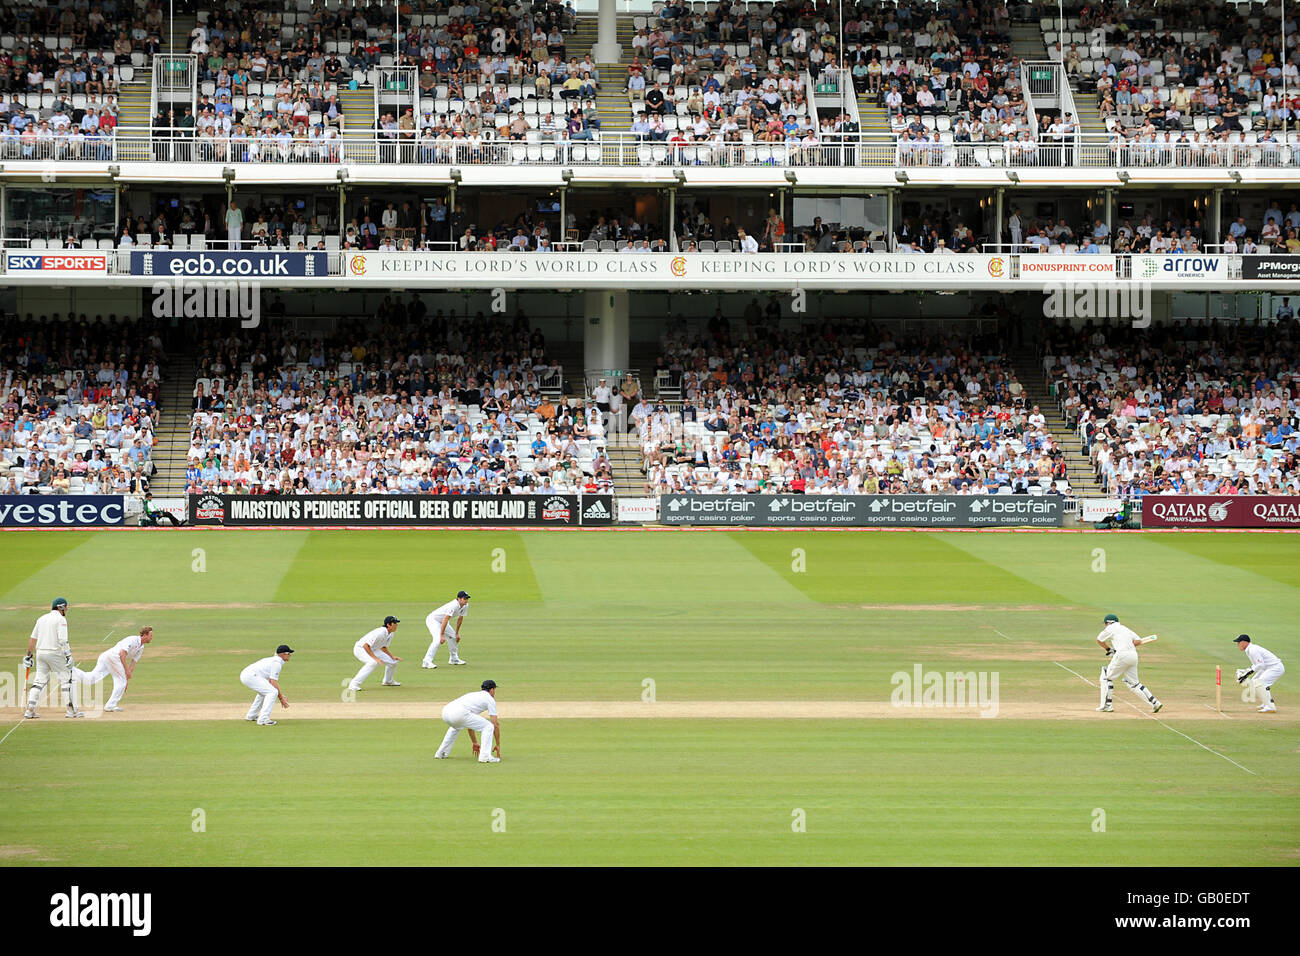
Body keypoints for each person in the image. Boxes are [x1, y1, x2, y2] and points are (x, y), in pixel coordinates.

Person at [23, 597, 82, 718]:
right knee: (67, 679)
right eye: (65, 607)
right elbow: (63, 640)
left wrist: (29, 655)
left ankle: (30, 710)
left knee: (39, 680)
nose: (66, 609)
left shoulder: (41, 618)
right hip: (55, 653)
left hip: (41, 653)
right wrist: (68, 655)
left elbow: (33, 638)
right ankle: (72, 711)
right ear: (60, 607)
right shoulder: (60, 620)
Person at [74, 626, 154, 712]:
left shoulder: (141, 648)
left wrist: (126, 680)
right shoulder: (132, 640)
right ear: (145, 635)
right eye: (151, 635)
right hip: (112, 656)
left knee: (91, 679)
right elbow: (122, 654)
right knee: (120, 681)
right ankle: (110, 705)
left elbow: (133, 663)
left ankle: (72, 671)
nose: (152, 638)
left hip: (109, 657)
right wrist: (125, 673)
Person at [1095, 613, 1162, 713]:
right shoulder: (1125, 628)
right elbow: (1138, 641)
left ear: (1108, 623)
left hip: (1122, 655)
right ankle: (1155, 703)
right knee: (1134, 683)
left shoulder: (1110, 628)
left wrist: (1109, 650)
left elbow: (1099, 640)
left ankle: (1106, 705)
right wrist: (1125, 646)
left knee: (1105, 676)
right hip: (1133, 655)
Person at [433, 679, 501, 762]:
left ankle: (441, 753)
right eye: (495, 690)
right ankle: (485, 756)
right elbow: (495, 724)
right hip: (459, 713)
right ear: (492, 690)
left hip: (446, 712)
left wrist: (475, 742)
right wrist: (498, 744)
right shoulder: (490, 699)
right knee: (488, 726)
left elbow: (470, 723)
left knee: (456, 727)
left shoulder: (474, 695)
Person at [240, 645, 293, 726]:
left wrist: (280, 696)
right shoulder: (277, 663)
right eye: (289, 653)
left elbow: (270, 682)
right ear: (283, 654)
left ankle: (252, 715)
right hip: (250, 676)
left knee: (265, 692)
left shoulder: (273, 660)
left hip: (247, 674)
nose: (290, 655)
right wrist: (281, 698)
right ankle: (263, 719)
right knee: (272, 692)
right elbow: (273, 682)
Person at [348, 615, 402, 690]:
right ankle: (353, 684)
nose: (396, 625)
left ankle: (388, 681)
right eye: (394, 623)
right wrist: (376, 659)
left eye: (396, 623)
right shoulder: (380, 632)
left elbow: (383, 647)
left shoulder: (391, 634)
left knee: (393, 662)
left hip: (373, 649)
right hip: (360, 649)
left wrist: (392, 656)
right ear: (388, 625)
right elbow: (366, 645)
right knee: (372, 663)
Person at [1234, 635, 1283, 713]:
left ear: (1244, 642)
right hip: (1267, 668)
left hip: (1275, 667)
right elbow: (1257, 664)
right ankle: (1265, 703)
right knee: (1254, 681)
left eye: (1239, 642)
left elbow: (1261, 665)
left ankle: (1270, 706)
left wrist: (1247, 673)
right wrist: (1247, 671)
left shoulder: (1253, 650)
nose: (1237, 645)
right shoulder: (1249, 650)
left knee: (1261, 683)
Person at [422, 590, 470, 668]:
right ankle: (426, 661)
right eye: (464, 598)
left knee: (454, 637)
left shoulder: (466, 605)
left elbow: (460, 619)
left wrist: (457, 633)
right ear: (459, 599)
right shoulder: (453, 605)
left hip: (443, 621)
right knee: (437, 640)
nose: (466, 600)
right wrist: (442, 635)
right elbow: (446, 619)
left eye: (467, 598)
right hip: (433, 620)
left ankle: (453, 659)